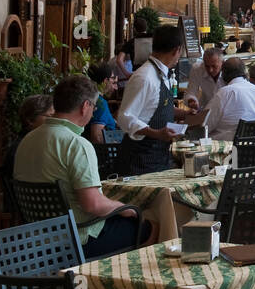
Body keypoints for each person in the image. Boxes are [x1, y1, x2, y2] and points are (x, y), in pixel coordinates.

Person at [14, 76, 153, 257]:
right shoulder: (76, 144)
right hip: (77, 238)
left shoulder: (27, 140)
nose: (93, 112)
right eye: (94, 107)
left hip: (39, 237)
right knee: (149, 226)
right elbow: (92, 204)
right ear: (85, 106)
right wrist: (126, 208)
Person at [115, 24, 190, 175]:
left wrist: (186, 114)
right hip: (138, 160)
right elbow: (124, 118)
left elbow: (157, 107)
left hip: (159, 156)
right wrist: (156, 133)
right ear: (177, 50)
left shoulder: (164, 74)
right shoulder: (144, 78)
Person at [5, 94, 54, 180]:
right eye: (50, 117)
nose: (54, 121)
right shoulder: (26, 148)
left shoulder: (25, 143)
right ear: (30, 119)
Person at [85, 63, 121, 145]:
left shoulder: (93, 98)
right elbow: (97, 137)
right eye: (113, 82)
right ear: (105, 81)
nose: (116, 87)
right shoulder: (100, 103)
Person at [185, 47, 224, 113]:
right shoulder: (197, 69)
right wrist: (191, 100)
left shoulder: (230, 70)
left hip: (225, 110)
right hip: (206, 109)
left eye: (214, 66)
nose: (210, 70)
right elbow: (191, 91)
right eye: (207, 66)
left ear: (222, 63)